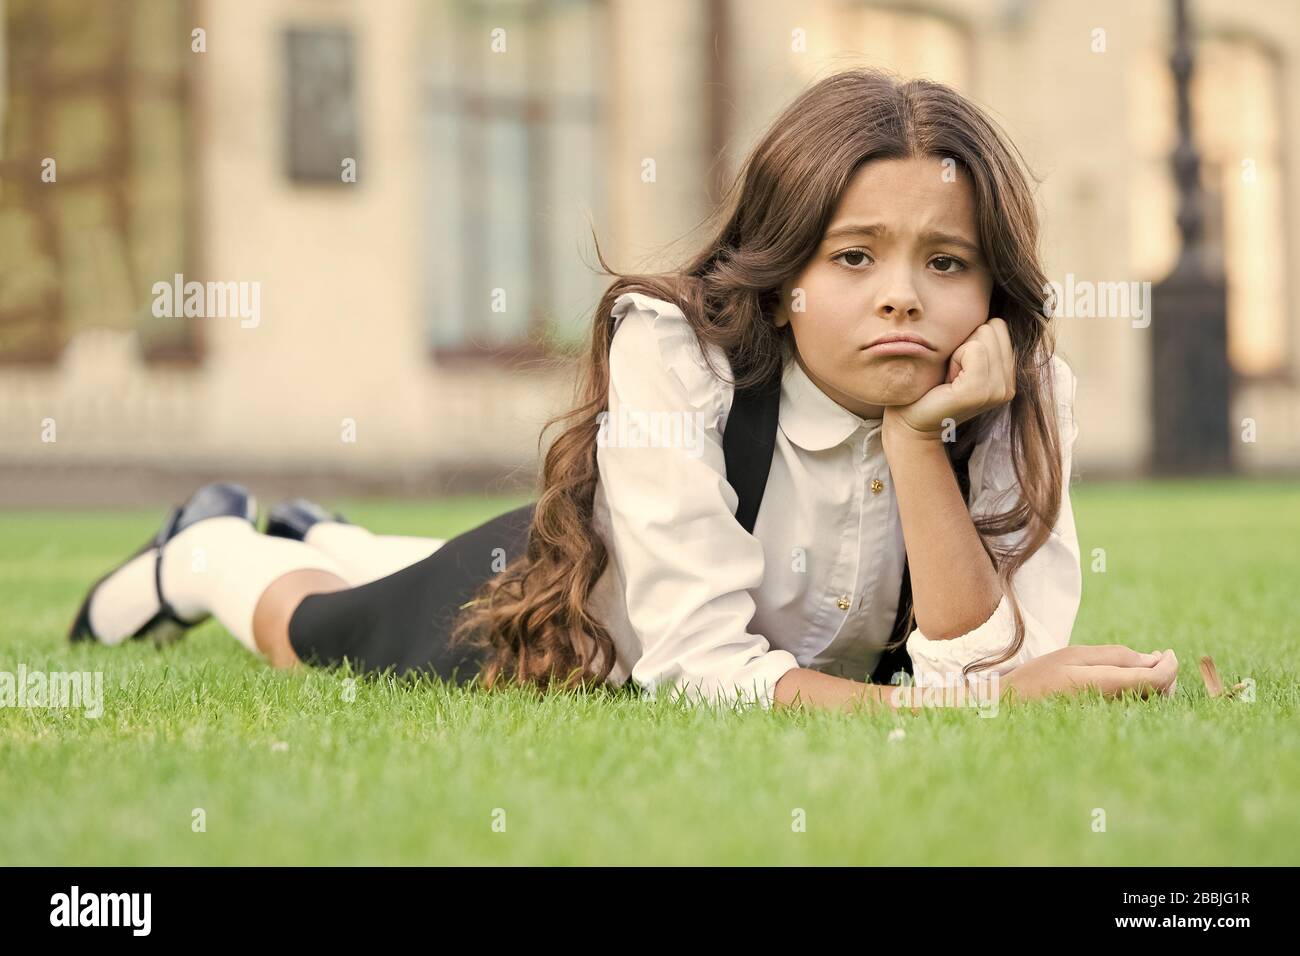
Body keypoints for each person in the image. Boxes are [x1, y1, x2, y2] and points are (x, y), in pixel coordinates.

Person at [69, 69, 1179, 713]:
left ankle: (341, 532)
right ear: (785, 273)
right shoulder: (680, 349)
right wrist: (963, 711)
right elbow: (701, 667)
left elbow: (990, 661)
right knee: (320, 627)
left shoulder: (1025, 390)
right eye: (853, 257)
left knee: (371, 560)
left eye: (943, 262)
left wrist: (918, 438)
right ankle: (207, 551)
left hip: (681, 574)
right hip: (577, 599)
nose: (901, 298)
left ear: (989, 285)